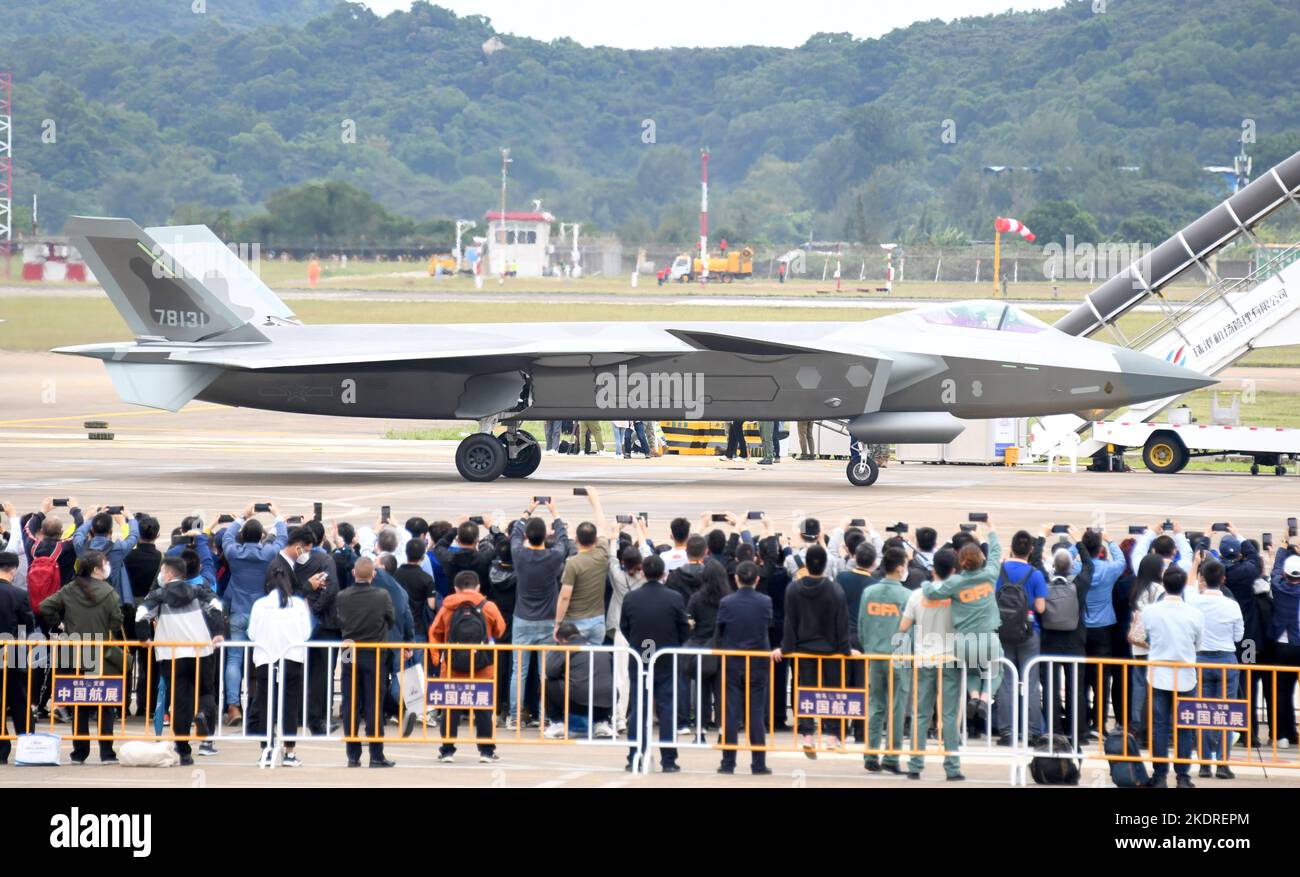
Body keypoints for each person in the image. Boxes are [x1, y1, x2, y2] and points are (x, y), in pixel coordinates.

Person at [136, 555, 224, 765]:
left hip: (171, 653)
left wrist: (144, 638)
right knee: (205, 691)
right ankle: (202, 715)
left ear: (167, 574)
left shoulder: (158, 595)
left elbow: (141, 614)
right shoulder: (198, 591)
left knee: (179, 700)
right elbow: (216, 606)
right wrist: (218, 632)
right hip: (200, 650)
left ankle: (183, 750)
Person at [39, 550, 124, 765]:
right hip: (101, 653)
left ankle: (79, 753)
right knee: (105, 704)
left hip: (74, 653)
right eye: (105, 563)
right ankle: (107, 753)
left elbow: (45, 606)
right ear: (97, 569)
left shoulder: (69, 589)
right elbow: (116, 620)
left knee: (78, 704)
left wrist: (62, 625)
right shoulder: (110, 592)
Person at [774, 545, 851, 755]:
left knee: (806, 691)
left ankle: (807, 734)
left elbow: (790, 623)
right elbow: (841, 623)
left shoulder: (794, 589)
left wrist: (786, 648)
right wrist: (846, 650)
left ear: (806, 564)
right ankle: (832, 736)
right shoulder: (835, 590)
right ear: (826, 565)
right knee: (833, 693)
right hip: (832, 651)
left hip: (804, 651)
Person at [923, 521, 1004, 716]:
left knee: (971, 670)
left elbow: (932, 593)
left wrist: (926, 583)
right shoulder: (989, 575)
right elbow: (995, 553)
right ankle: (985, 699)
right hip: (987, 637)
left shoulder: (955, 583)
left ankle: (974, 696)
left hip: (963, 641)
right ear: (980, 559)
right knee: (995, 669)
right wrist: (991, 528)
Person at [220, 503, 288, 727]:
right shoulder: (267, 553)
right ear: (261, 536)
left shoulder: (233, 553)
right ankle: (259, 703)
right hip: (261, 613)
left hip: (238, 609)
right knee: (264, 657)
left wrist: (242, 516)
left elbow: (227, 537)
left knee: (234, 660)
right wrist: (277, 516)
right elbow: (282, 539)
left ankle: (232, 705)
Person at [621, 553, 689, 772]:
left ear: (642, 571)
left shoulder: (631, 598)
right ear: (664, 573)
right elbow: (683, 628)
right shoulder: (674, 598)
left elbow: (625, 627)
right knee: (667, 707)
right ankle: (668, 759)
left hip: (640, 657)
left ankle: (635, 756)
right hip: (666, 659)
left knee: (639, 708)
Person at [430, 570, 506, 762]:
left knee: (450, 707)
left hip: (452, 667)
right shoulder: (488, 606)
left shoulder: (448, 607)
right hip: (482, 666)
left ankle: (447, 750)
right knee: (483, 708)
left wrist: (437, 657)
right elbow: (500, 629)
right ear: (478, 587)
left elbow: (435, 631)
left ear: (456, 588)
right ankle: (486, 751)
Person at [899, 547, 962, 780]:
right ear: (954, 571)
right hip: (949, 659)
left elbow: (903, 627)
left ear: (933, 570)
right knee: (948, 715)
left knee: (921, 714)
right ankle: (952, 767)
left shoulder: (917, 595)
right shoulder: (957, 597)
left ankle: (915, 764)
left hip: (924, 659)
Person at [506, 500, 570, 727]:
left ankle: (515, 717)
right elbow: (563, 540)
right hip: (547, 619)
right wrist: (555, 513)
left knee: (519, 672)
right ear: (545, 536)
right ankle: (545, 716)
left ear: (527, 536)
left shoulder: (518, 554)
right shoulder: (553, 557)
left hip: (523, 618)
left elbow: (514, 533)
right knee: (546, 673)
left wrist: (528, 510)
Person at [1139, 566, 1204, 788]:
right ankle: (1183, 776)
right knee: (1184, 726)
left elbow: (1146, 637)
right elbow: (1198, 643)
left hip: (1159, 674)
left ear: (1164, 585)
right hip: (1185, 674)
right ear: (1184, 585)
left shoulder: (1150, 611)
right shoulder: (1194, 613)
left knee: (1159, 726)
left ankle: (1159, 776)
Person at [246, 562, 312, 767]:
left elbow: (252, 634)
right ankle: (290, 752)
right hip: (292, 659)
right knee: (290, 706)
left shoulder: (260, 605)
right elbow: (306, 633)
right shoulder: (298, 604)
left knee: (265, 704)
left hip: (266, 659)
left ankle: (266, 749)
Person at [337, 557, 396, 768]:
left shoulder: (342, 596)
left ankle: (353, 755)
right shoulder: (382, 595)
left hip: (349, 648)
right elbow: (391, 620)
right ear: (373, 575)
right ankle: (376, 753)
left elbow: (338, 622)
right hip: (374, 650)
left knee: (350, 700)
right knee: (373, 702)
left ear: (354, 573)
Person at [858, 547, 912, 774]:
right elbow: (913, 631)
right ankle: (891, 755)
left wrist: (870, 646)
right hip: (898, 657)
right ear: (900, 568)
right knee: (897, 707)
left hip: (874, 655)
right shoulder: (907, 596)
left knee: (875, 705)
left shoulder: (869, 592)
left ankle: (871, 753)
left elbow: (861, 626)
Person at [715, 560, 772, 775]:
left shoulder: (727, 602)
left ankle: (728, 762)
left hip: (732, 662)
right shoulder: (765, 602)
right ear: (757, 580)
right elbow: (767, 626)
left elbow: (719, 632)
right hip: (757, 663)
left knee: (731, 713)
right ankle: (758, 763)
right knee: (755, 714)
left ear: (736, 579)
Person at [992, 529, 1048, 745]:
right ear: (1031, 550)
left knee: (1006, 681)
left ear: (1011, 548)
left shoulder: (1000, 571)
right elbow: (1041, 608)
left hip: (1003, 630)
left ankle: (1006, 732)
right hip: (1028, 631)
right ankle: (1034, 732)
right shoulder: (1035, 574)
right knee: (1031, 682)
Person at [1190, 557, 1243, 777]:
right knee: (1225, 711)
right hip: (1225, 659)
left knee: (1203, 711)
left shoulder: (1193, 602)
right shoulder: (1232, 605)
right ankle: (1222, 763)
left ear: (1202, 579)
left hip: (1201, 658)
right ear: (1223, 579)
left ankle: (1203, 763)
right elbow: (1239, 636)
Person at [1037, 540, 1093, 746]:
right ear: (1071, 567)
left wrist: (1041, 539)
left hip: (1050, 641)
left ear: (1053, 566)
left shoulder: (1044, 584)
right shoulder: (1079, 586)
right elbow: (1089, 566)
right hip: (1074, 642)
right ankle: (1077, 730)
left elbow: (1035, 562)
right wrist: (1080, 542)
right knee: (1075, 689)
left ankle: (1053, 730)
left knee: (1051, 688)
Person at [1074, 528, 1127, 741]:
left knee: (1081, 677)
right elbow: (1122, 560)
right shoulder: (1109, 569)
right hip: (1104, 629)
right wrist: (1111, 540)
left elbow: (1063, 560)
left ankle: (1082, 722)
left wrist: (1074, 542)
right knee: (1102, 679)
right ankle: (1100, 723)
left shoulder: (1078, 567)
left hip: (1082, 627)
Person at [555, 488, 609, 645]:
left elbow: (565, 596)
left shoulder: (573, 562)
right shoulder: (602, 553)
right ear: (596, 540)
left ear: (577, 539)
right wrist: (595, 501)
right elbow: (601, 527)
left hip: (576, 622)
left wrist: (558, 623)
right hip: (598, 620)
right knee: (594, 663)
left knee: (575, 663)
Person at [544, 622, 615, 738]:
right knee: (607, 685)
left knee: (548, 684)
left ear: (562, 640)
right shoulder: (599, 648)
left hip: (578, 702)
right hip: (605, 702)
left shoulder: (567, 648)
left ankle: (558, 723)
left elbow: (550, 671)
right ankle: (602, 723)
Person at [686, 560, 731, 731]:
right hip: (722, 647)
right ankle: (721, 723)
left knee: (701, 688)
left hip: (700, 647)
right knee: (721, 688)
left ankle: (702, 723)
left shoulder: (696, 598)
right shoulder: (728, 598)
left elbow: (689, 622)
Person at [0, 552, 35, 764]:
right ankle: (28, 746)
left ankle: (1, 750)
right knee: (20, 701)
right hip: (12, 654)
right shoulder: (19, 595)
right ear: (13, 570)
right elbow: (28, 627)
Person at [1127, 554, 1167, 739]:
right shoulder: (1158, 589)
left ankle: (1136, 723)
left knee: (1139, 685)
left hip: (1137, 644)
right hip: (1153, 645)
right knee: (1154, 687)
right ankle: (1150, 724)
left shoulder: (1137, 587)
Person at [1268, 548, 1300, 746]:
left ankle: (1282, 736)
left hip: (1281, 646)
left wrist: (1281, 548)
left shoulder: (1278, 586)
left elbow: (1275, 570)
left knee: (1281, 692)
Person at [395, 538, 438, 641]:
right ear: (423, 556)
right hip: (418, 628)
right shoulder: (427, 578)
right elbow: (432, 604)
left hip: (399, 626)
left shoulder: (395, 574)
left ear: (406, 553)